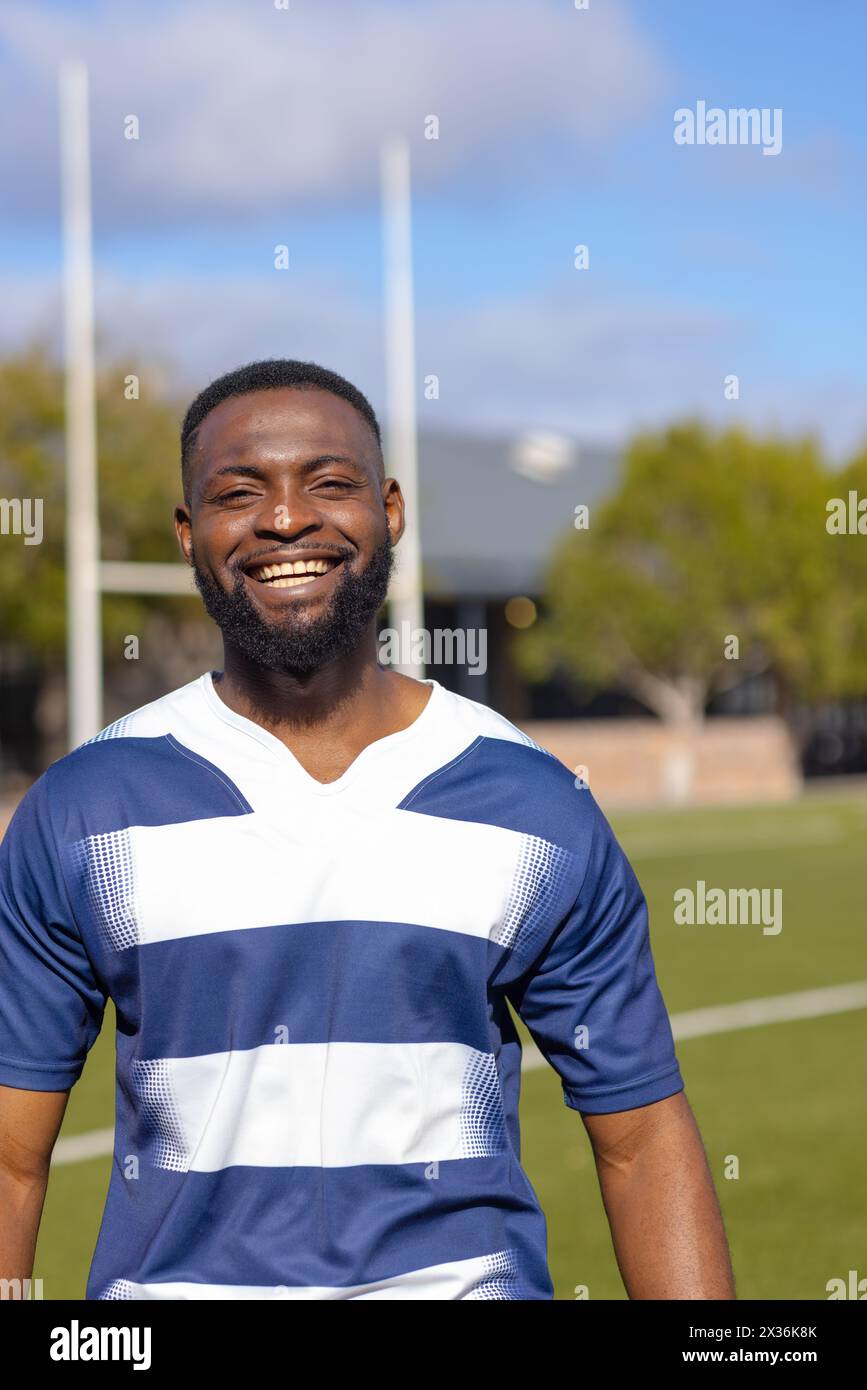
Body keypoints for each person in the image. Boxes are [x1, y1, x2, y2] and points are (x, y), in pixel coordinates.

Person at [0, 359, 735, 1300]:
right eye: (238, 493)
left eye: (329, 483)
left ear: (389, 511)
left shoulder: (533, 804)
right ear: (189, 536)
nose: (284, 520)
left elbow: (639, 1137)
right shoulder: (85, 809)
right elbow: (16, 1160)